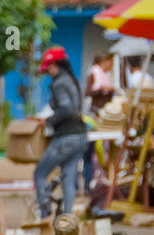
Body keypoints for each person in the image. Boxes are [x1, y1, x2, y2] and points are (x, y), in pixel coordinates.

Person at [33, 46, 89, 219]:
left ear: (56, 65)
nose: (48, 72)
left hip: (66, 137)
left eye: (48, 68)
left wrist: (48, 121)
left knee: (40, 173)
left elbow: (66, 108)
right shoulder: (73, 80)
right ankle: (67, 219)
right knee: (68, 178)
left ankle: (44, 215)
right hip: (80, 136)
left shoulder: (59, 83)